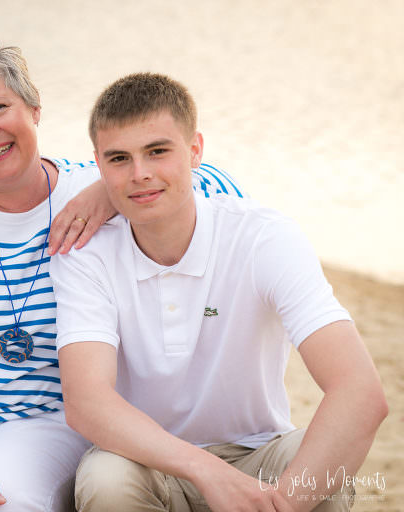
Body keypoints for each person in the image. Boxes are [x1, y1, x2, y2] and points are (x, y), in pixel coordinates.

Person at [0, 38, 242, 512]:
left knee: (1, 504)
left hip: (41, 420)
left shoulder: (103, 188)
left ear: (34, 108)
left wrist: (107, 190)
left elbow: (220, 187)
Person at [50, 72, 388, 512]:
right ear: (98, 165)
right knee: (105, 478)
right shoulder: (84, 253)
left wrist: (280, 504)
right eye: (119, 159)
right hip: (149, 462)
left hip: (258, 453)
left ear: (195, 151)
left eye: (157, 151)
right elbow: (87, 403)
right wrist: (205, 471)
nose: (140, 174)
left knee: (321, 469)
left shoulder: (264, 237)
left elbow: (360, 392)